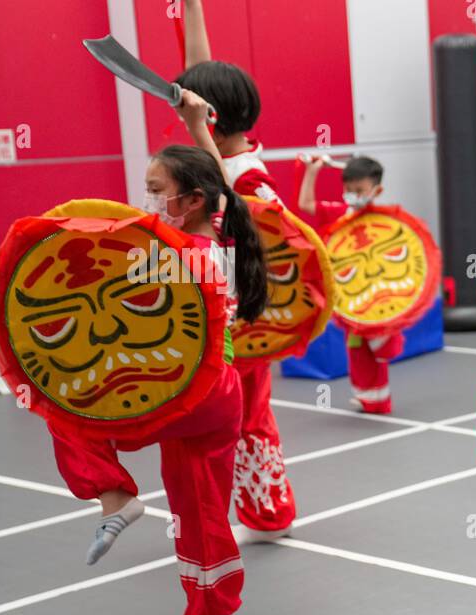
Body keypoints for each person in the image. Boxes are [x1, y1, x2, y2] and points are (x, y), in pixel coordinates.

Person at [52, 91, 268, 615]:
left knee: (67, 408)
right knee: (200, 508)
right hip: (219, 396)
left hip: (185, 395)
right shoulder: (214, 238)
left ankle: (115, 496)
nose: (146, 204)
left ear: (191, 200)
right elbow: (217, 181)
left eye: (155, 193)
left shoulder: (170, 256)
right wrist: (198, 124)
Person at [176, 0, 295, 540]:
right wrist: (194, 7)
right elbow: (197, 70)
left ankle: (268, 514)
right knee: (242, 415)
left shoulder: (246, 180)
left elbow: (235, 214)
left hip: (246, 315)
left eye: (194, 117)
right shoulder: (234, 159)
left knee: (249, 418)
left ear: (211, 122)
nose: (184, 122)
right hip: (232, 313)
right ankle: (260, 512)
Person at [297, 154, 400, 413]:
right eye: (348, 189)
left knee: (380, 347)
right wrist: (312, 171)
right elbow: (305, 203)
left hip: (376, 296)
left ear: (377, 190)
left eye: (359, 190)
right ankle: (369, 397)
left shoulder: (383, 222)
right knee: (356, 348)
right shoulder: (338, 214)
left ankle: (379, 394)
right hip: (349, 296)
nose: (352, 194)